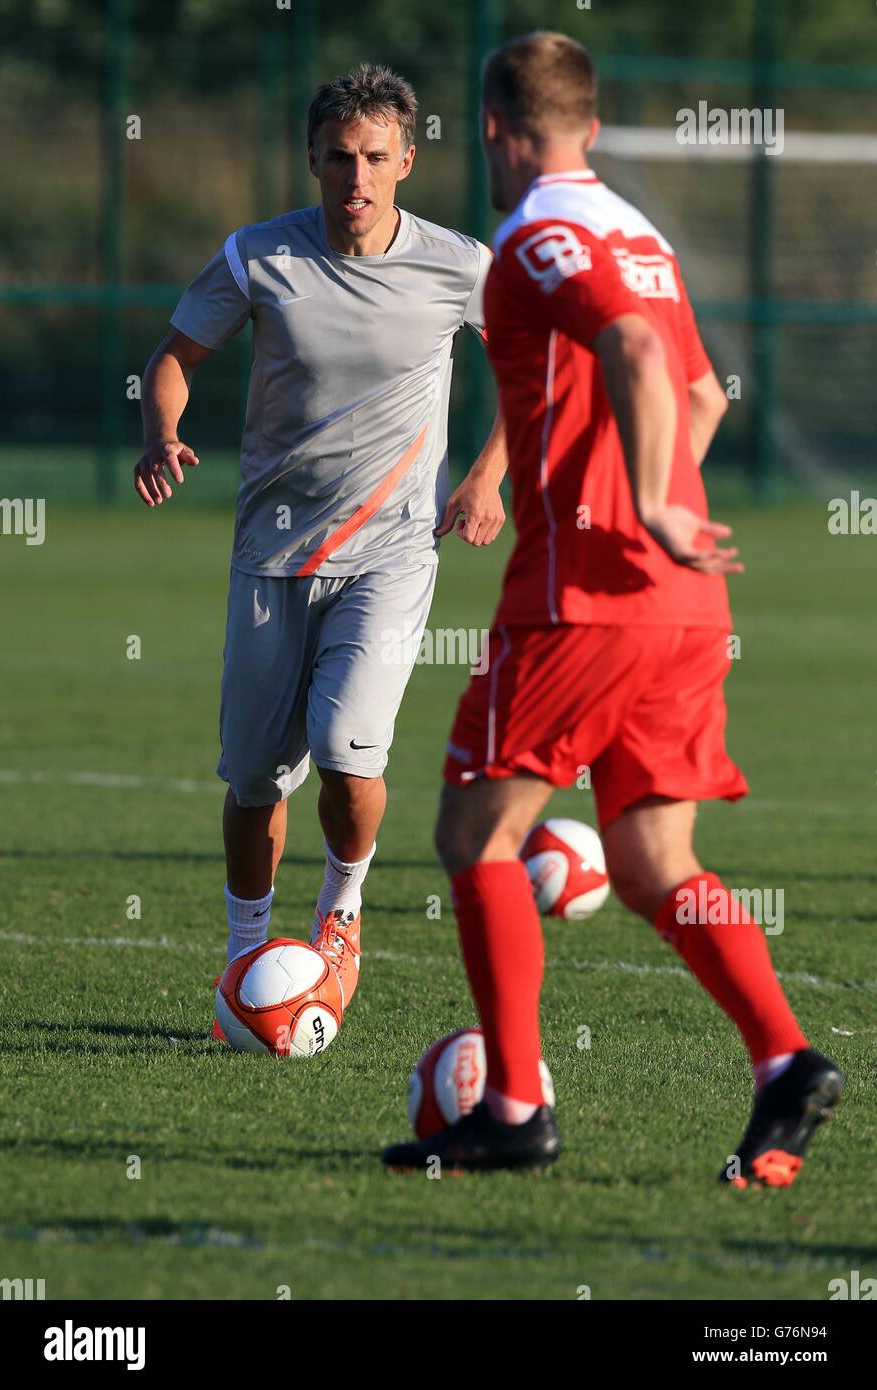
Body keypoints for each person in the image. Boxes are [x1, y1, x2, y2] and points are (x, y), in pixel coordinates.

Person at [382, 32, 843, 1184]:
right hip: (683, 605)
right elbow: (699, 390)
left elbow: (638, 355)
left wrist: (639, 503)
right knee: (647, 860)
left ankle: (518, 1109)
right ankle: (783, 1060)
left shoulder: (535, 234)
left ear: (495, 128)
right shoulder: (638, 233)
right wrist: (671, 513)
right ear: (588, 120)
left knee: (473, 835)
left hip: (583, 598)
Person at [135, 65, 507, 1022]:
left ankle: (341, 914)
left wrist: (486, 473)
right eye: (339, 157)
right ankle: (248, 947)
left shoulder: (458, 264)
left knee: (347, 750)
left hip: (392, 552)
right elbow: (175, 356)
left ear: (406, 162)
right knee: (255, 775)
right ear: (311, 159)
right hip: (271, 553)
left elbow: (532, 363)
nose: (357, 176)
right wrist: (161, 430)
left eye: (376, 158)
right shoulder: (259, 256)